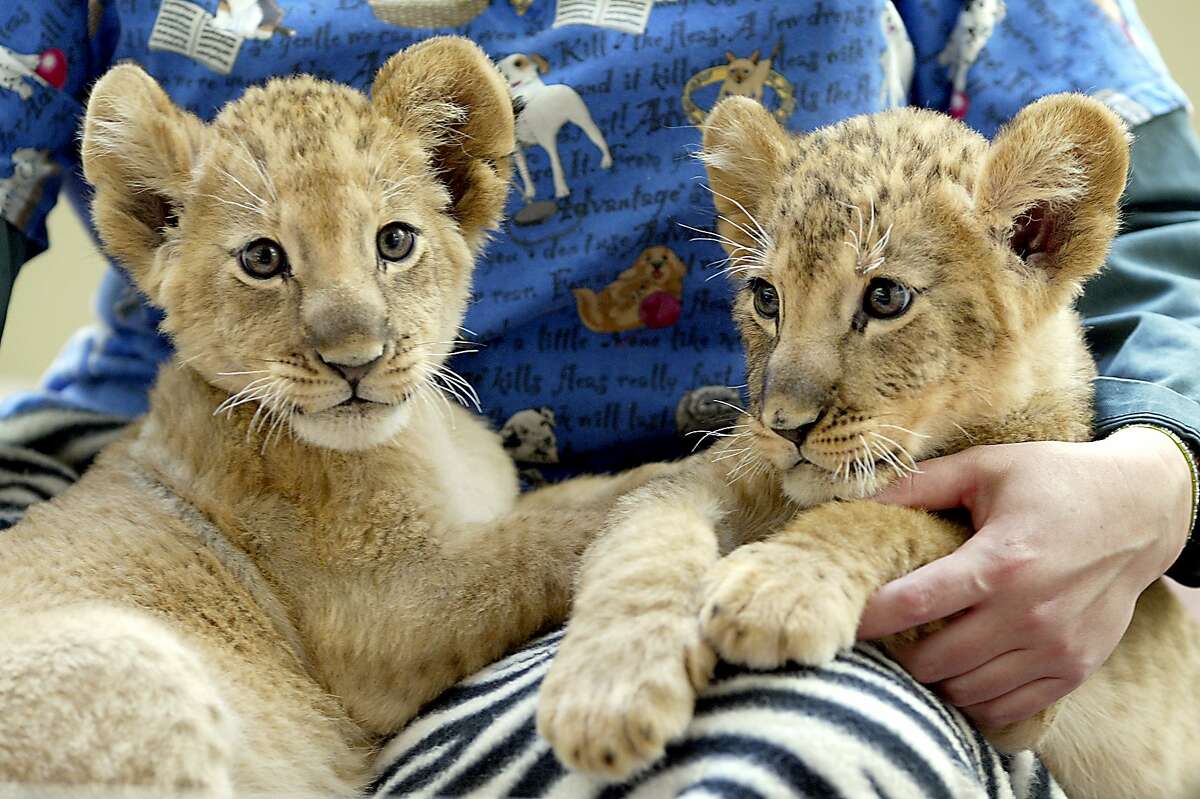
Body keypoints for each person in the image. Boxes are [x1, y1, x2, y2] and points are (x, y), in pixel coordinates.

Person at [1, 1, 1197, 795]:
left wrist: (1160, 469)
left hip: (791, 486)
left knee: (803, 760)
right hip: (195, 472)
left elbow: (1158, 216)